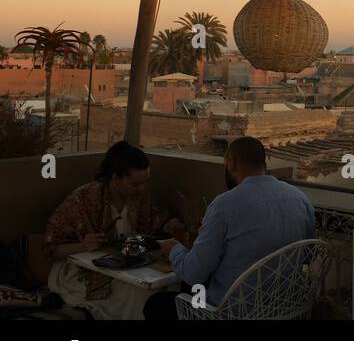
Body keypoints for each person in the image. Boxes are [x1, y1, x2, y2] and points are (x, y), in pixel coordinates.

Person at [155, 137, 315, 317]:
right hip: (285, 306)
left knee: (156, 305)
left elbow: (194, 273)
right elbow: (308, 256)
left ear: (231, 163)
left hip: (233, 311)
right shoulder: (300, 198)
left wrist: (174, 250)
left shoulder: (224, 205)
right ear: (264, 163)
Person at [45, 141, 182, 320]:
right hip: (80, 270)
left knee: (166, 288)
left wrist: (182, 232)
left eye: (144, 182)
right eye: (135, 184)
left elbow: (162, 219)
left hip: (128, 270)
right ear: (115, 179)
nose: (141, 189)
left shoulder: (141, 198)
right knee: (139, 295)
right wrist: (83, 245)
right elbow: (52, 249)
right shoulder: (82, 200)